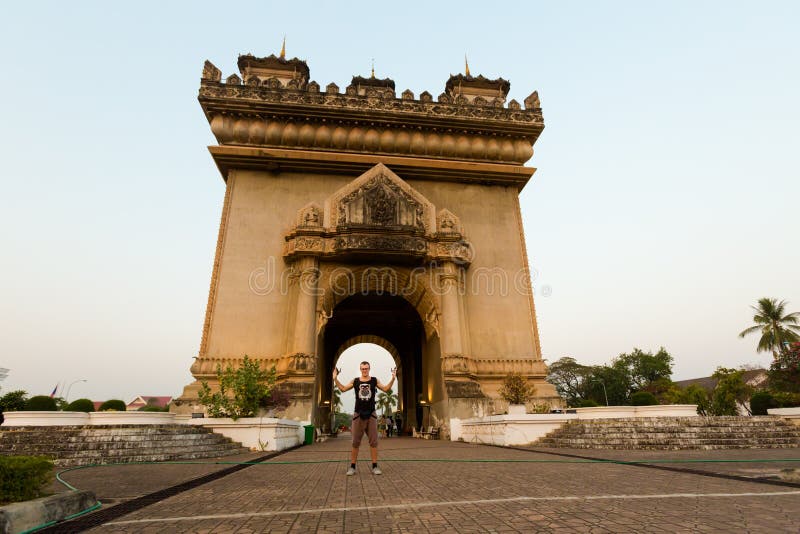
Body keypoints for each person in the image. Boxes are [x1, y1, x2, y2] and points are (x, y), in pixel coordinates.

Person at [333, 361, 396, 475]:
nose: (364, 370)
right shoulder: (355, 381)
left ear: (369, 369)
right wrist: (335, 378)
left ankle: (375, 466)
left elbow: (386, 389)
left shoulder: (374, 380)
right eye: (363, 368)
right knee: (355, 442)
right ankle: (352, 467)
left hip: (371, 414)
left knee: (374, 441)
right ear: (360, 369)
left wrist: (393, 378)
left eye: (366, 368)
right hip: (358, 414)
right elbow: (342, 388)